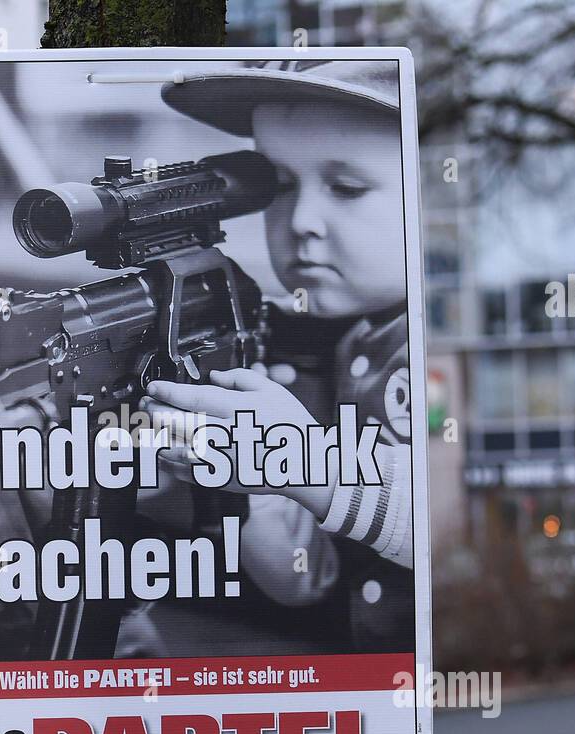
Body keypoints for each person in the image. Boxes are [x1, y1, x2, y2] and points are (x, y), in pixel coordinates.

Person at [143, 59, 416, 653]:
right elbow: (305, 579)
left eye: (346, 188)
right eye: (280, 187)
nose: (301, 223)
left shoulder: (438, 356)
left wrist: (303, 463)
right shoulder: (340, 342)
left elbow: (446, 523)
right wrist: (252, 484)